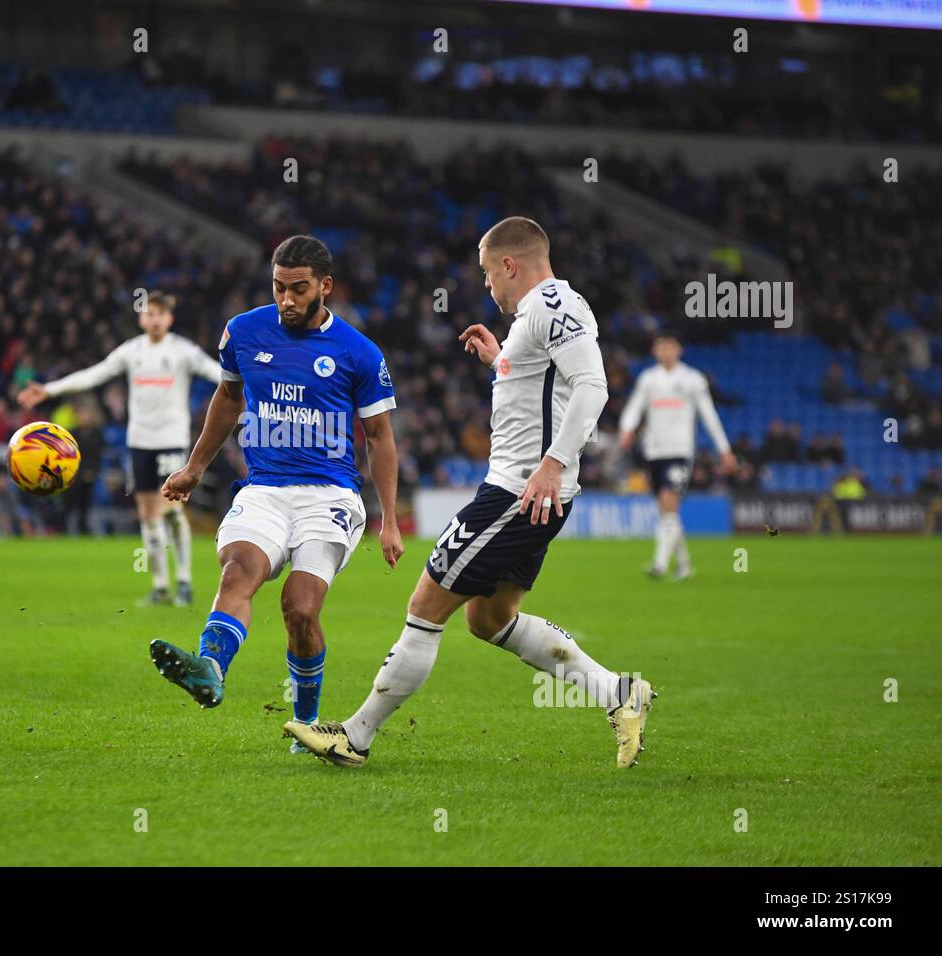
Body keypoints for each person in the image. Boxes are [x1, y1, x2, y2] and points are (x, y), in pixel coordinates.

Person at [283, 218, 652, 769]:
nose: (486, 285)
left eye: (486, 272)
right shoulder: (538, 314)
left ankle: (354, 738)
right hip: (529, 493)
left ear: (509, 265)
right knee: (489, 619)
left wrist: (552, 464)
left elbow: (592, 386)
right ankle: (618, 693)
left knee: (425, 607)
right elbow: (544, 383)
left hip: (517, 494)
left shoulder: (554, 305)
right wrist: (501, 358)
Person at [154, 234, 403, 752]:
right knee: (238, 570)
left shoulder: (359, 352)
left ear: (324, 287)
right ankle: (210, 668)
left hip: (330, 495)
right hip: (264, 488)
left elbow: (380, 438)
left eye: (298, 289)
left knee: (300, 607)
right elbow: (227, 399)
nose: (286, 300)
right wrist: (195, 467)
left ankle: (306, 723)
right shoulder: (243, 332)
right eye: (278, 288)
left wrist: (391, 519)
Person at [18, 291, 222, 606]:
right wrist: (50, 389)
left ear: (170, 318)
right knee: (148, 513)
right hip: (139, 441)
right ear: (142, 318)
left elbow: (219, 374)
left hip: (171, 440)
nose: (154, 320)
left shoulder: (183, 351)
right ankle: (160, 586)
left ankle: (183, 582)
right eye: (149, 314)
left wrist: (257, 383)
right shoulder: (132, 351)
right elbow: (94, 375)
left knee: (171, 511)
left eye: (160, 314)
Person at [618, 333, 736, 580]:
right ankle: (684, 565)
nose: (666, 352)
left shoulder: (693, 379)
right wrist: (627, 429)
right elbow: (635, 406)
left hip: (680, 450)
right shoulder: (649, 379)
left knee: (668, 499)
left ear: (679, 350)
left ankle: (660, 564)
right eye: (662, 348)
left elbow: (709, 414)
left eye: (670, 347)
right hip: (654, 451)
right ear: (655, 351)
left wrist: (724, 449)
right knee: (666, 511)